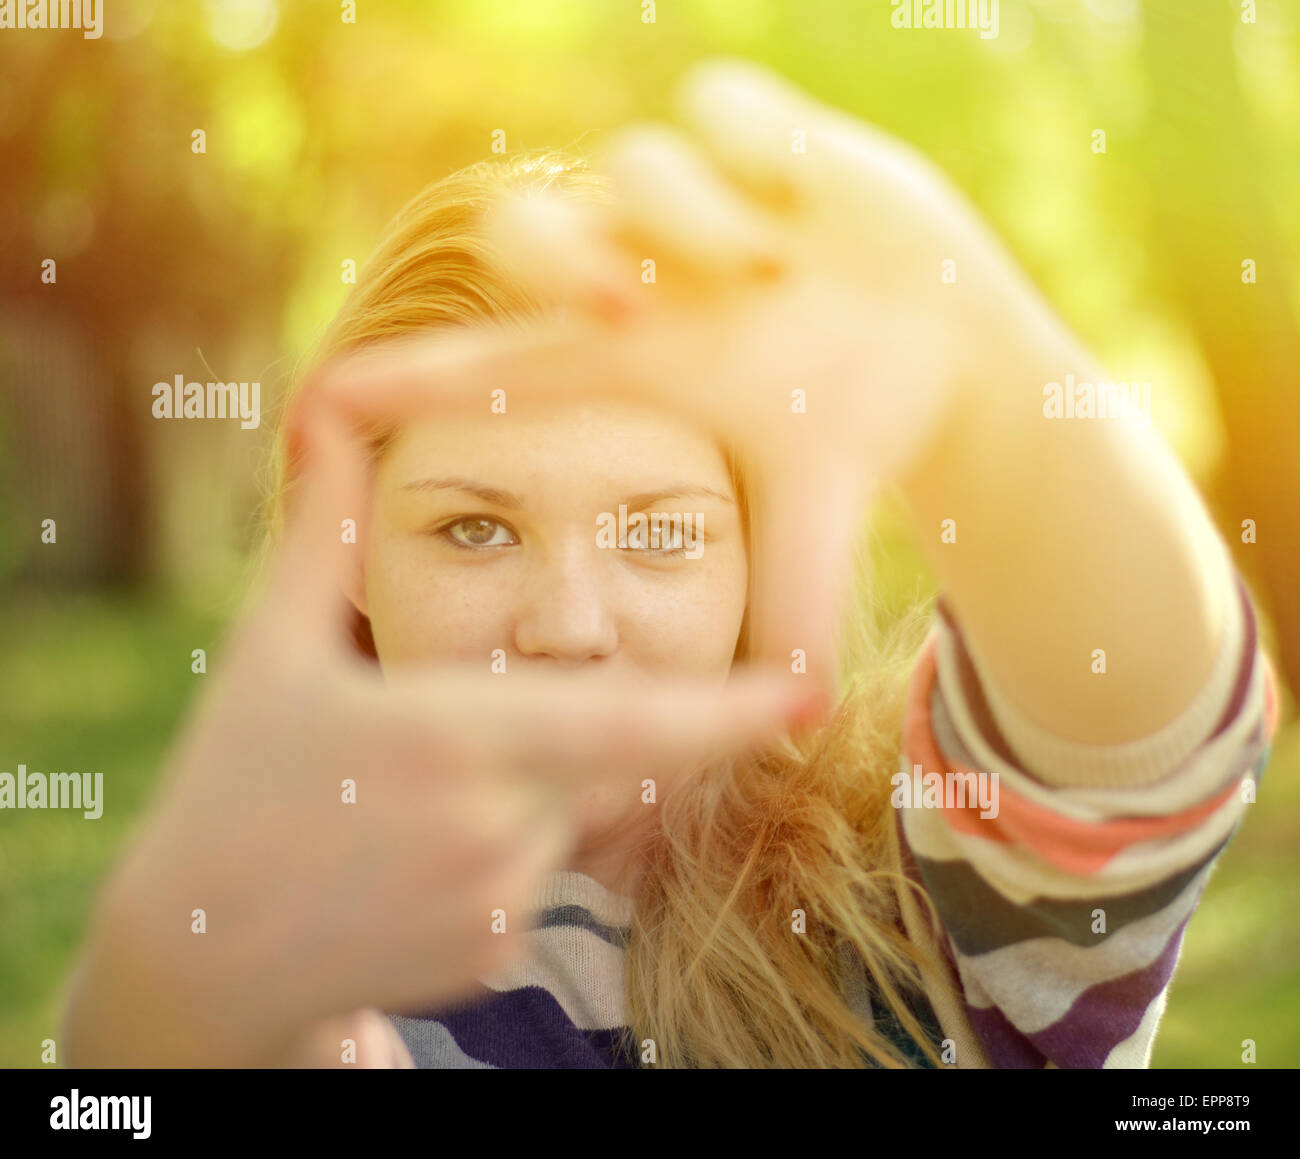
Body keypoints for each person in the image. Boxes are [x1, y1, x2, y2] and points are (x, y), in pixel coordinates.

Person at [60, 60, 1278, 1069]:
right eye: (474, 527)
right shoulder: (301, 973)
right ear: (352, 559)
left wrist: (986, 386)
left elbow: (1150, 747)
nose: (570, 625)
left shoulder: (914, 899)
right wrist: (149, 1014)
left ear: (757, 549)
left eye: (658, 530)